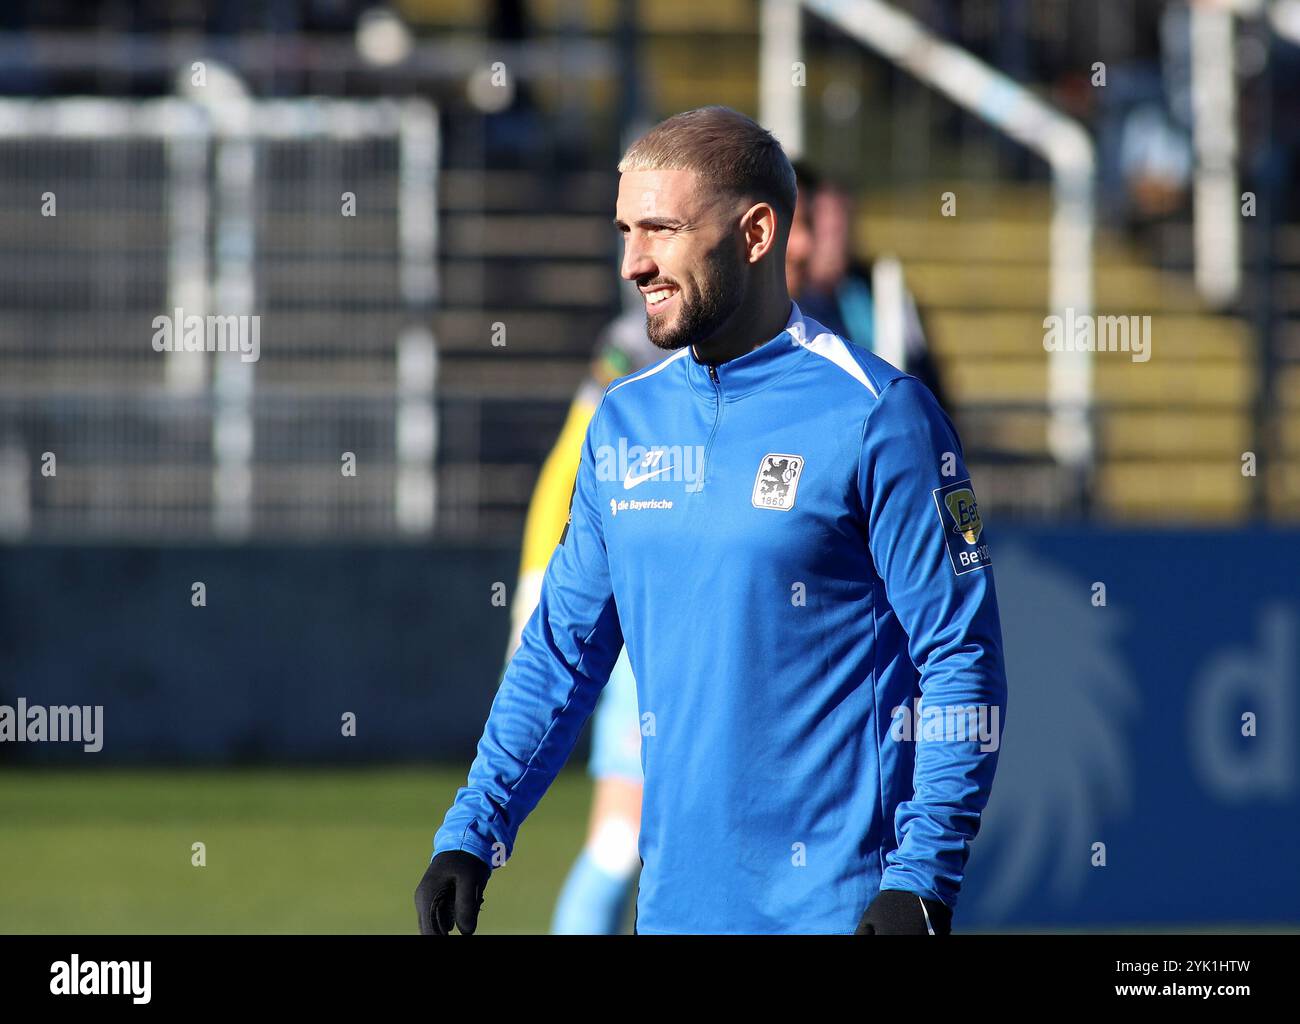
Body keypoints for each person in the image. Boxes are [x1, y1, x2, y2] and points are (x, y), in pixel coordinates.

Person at [416, 106, 1007, 935]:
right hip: (676, 915)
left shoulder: (882, 416)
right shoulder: (622, 425)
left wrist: (922, 877)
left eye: (659, 229)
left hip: (842, 912)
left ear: (757, 232)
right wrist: (473, 833)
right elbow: (560, 653)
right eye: (625, 230)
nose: (632, 262)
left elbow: (961, 657)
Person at [505, 303, 657, 935]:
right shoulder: (641, 339)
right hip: (638, 609)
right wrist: (535, 584)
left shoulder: (837, 326)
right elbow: (572, 458)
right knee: (622, 838)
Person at [786, 162, 948, 411]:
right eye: (824, 227)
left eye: (841, 227)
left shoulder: (884, 288)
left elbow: (927, 374)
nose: (833, 240)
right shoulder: (788, 309)